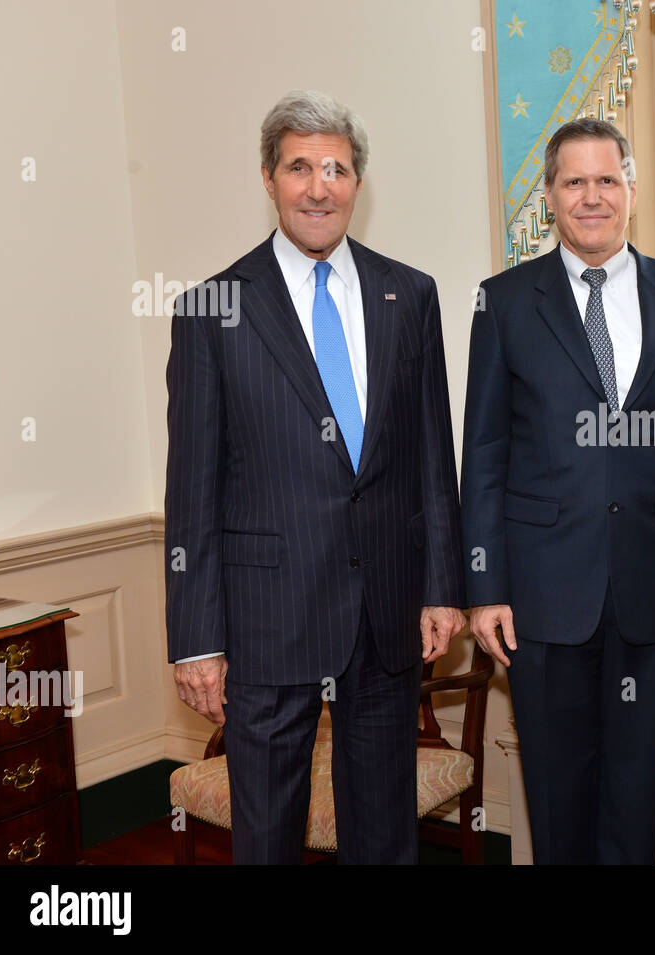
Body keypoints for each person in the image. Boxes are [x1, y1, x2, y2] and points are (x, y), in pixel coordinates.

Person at [165, 90, 466, 864]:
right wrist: (197, 639)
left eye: (335, 167)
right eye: (299, 166)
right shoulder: (213, 308)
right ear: (269, 178)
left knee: (385, 836)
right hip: (266, 620)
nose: (318, 186)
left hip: (385, 616)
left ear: (358, 182)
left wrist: (440, 585)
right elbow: (191, 489)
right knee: (267, 838)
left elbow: (433, 457)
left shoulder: (411, 296)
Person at [460, 118, 655, 863]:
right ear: (549, 196)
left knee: (635, 793)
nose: (592, 196)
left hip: (652, 591)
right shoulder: (503, 301)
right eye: (574, 181)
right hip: (541, 599)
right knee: (556, 792)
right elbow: (483, 451)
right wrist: (483, 585)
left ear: (631, 190)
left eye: (607, 179)